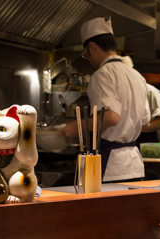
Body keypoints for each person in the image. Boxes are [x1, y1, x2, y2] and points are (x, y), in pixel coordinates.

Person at [61, 17, 150, 182]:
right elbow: (145, 121)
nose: (88, 59)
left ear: (92, 47)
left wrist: (76, 126)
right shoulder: (137, 76)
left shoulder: (102, 75)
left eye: (85, 54)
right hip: (134, 166)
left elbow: (111, 117)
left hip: (111, 168)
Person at [120, 56, 160, 145]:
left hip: (147, 142)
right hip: (123, 142)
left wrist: (134, 128)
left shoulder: (150, 91)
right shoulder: (117, 92)